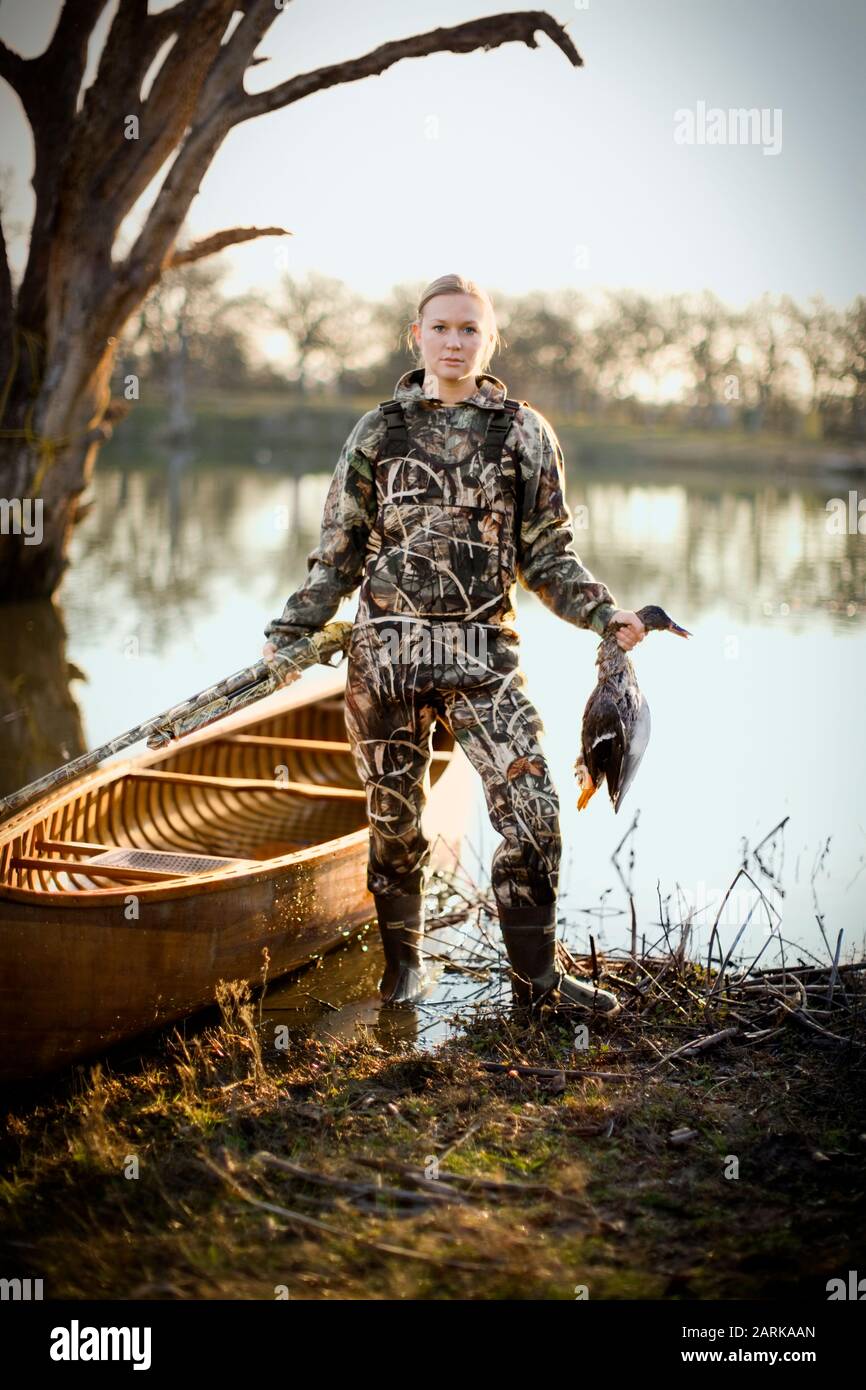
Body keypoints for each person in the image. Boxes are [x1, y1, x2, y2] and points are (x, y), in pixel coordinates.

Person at [263, 273, 646, 1015]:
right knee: (394, 824)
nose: (453, 341)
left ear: (489, 339)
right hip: (385, 664)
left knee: (536, 815)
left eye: (469, 328)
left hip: (484, 662)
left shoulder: (524, 432)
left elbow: (550, 558)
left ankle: (537, 987)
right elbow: (336, 556)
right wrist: (290, 635)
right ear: (417, 336)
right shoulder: (378, 430)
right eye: (440, 327)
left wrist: (606, 615)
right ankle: (402, 970)